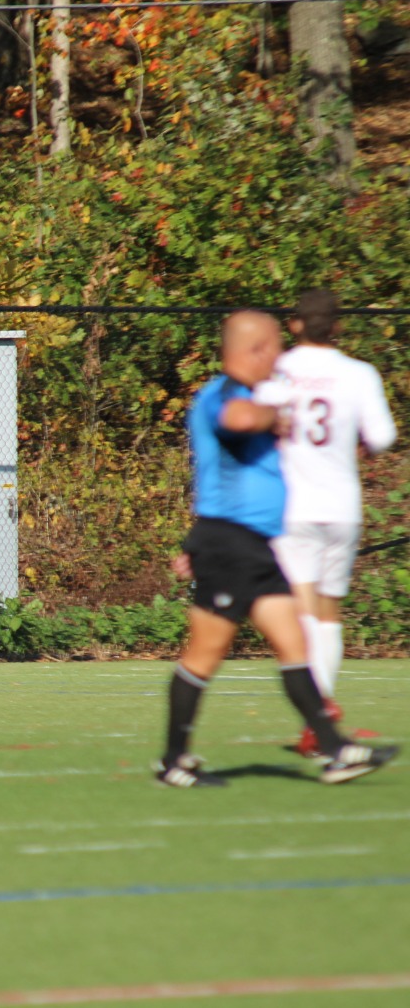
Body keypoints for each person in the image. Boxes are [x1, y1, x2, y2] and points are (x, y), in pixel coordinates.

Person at [158, 311, 396, 787]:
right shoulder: (228, 393)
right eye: (272, 347)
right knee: (205, 654)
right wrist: (279, 414)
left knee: (294, 643)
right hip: (229, 543)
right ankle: (173, 762)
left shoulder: (248, 393)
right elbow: (238, 419)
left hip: (249, 546)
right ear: (257, 349)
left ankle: (334, 749)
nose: (279, 356)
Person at [262, 290, 397, 757]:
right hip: (342, 507)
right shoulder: (359, 373)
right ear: (338, 326)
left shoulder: (277, 369)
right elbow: (382, 437)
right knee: (327, 614)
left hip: (291, 507)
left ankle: (317, 717)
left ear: (295, 324)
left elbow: (258, 425)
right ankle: (321, 713)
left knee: (299, 612)